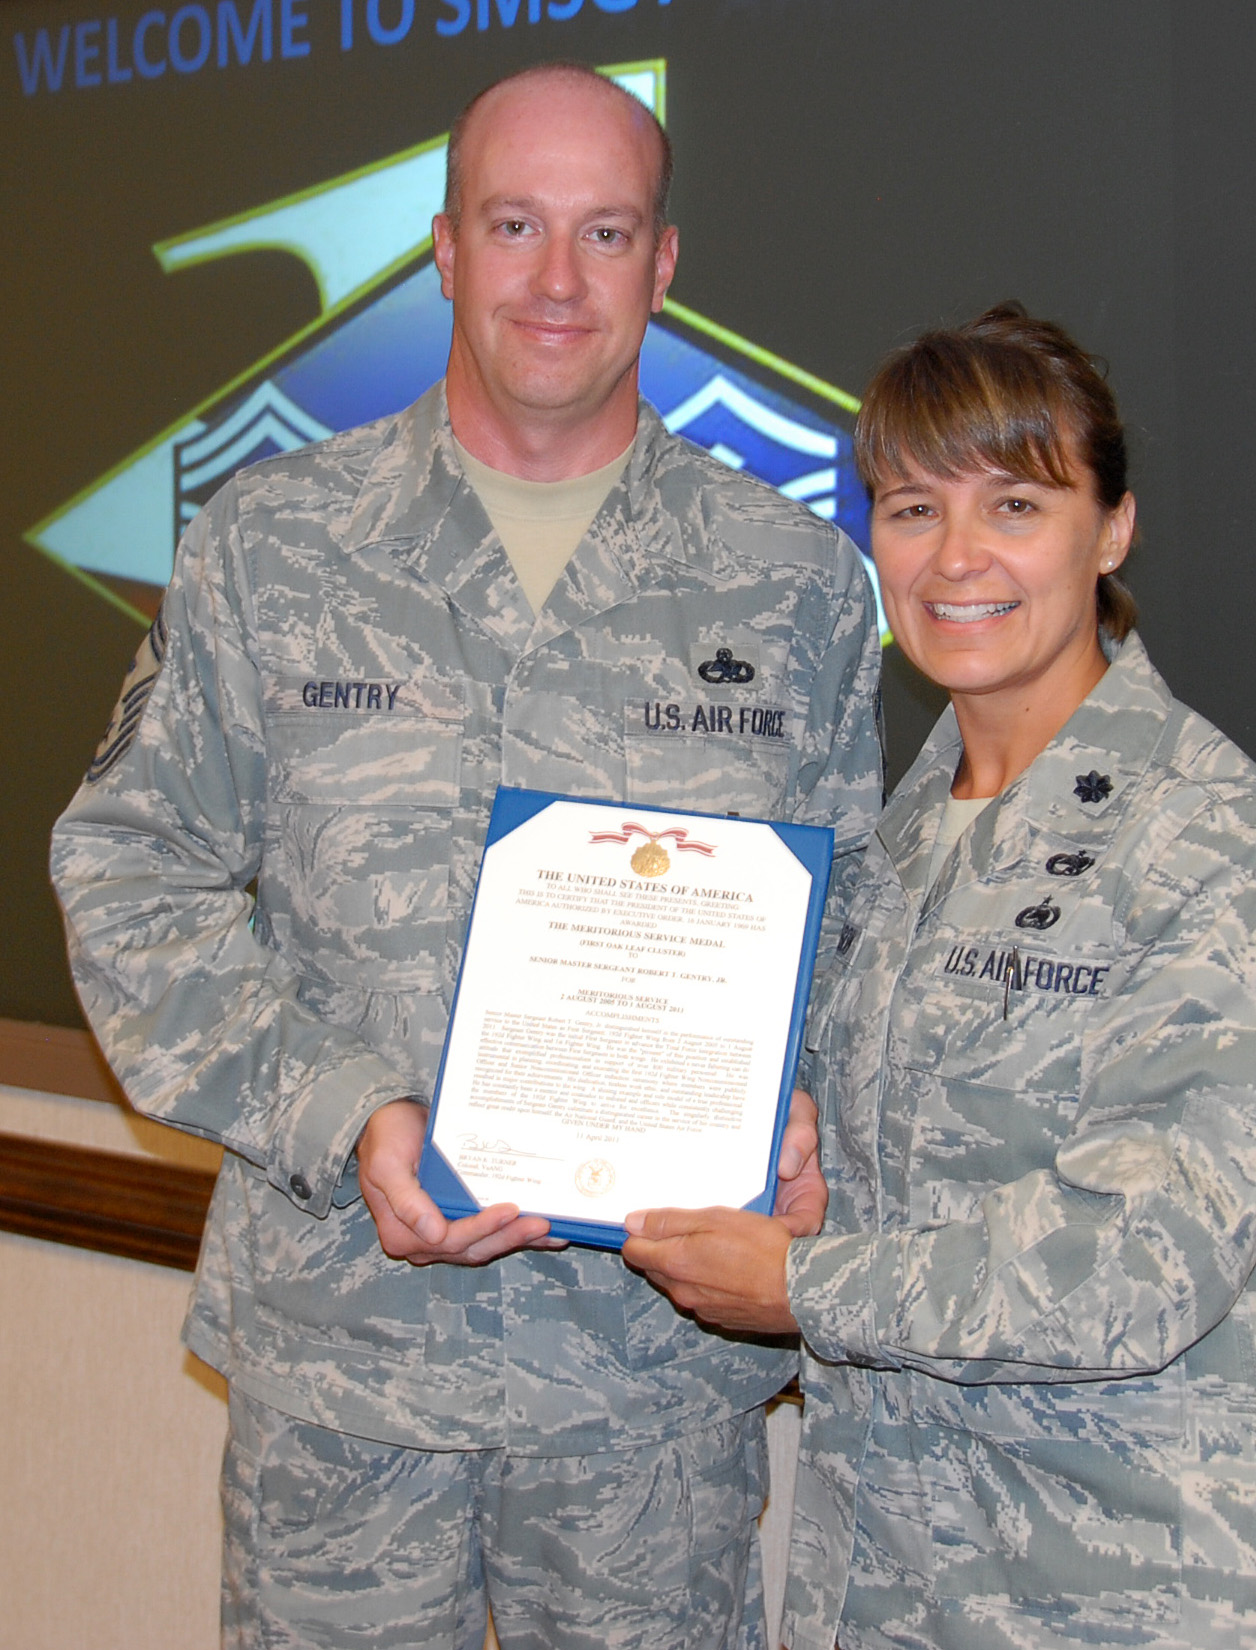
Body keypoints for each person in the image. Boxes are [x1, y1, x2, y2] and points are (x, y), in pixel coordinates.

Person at [50, 63, 881, 1650]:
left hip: (650, 1389)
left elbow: (850, 930)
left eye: (604, 231)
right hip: (348, 1376)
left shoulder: (793, 585)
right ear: (441, 248)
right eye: (514, 225)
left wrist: (809, 1117)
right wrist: (339, 1108)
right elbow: (131, 872)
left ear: (665, 261)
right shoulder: (271, 549)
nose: (557, 281)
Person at [623, 304, 1256, 1649]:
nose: (959, 557)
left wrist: (806, 1282)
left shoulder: (1221, 852)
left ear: (1111, 530)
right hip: (904, 1579)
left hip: (1161, 1597)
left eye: (1017, 504)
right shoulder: (901, 839)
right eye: (914, 507)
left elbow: (1142, 1262)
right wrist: (807, 1187)